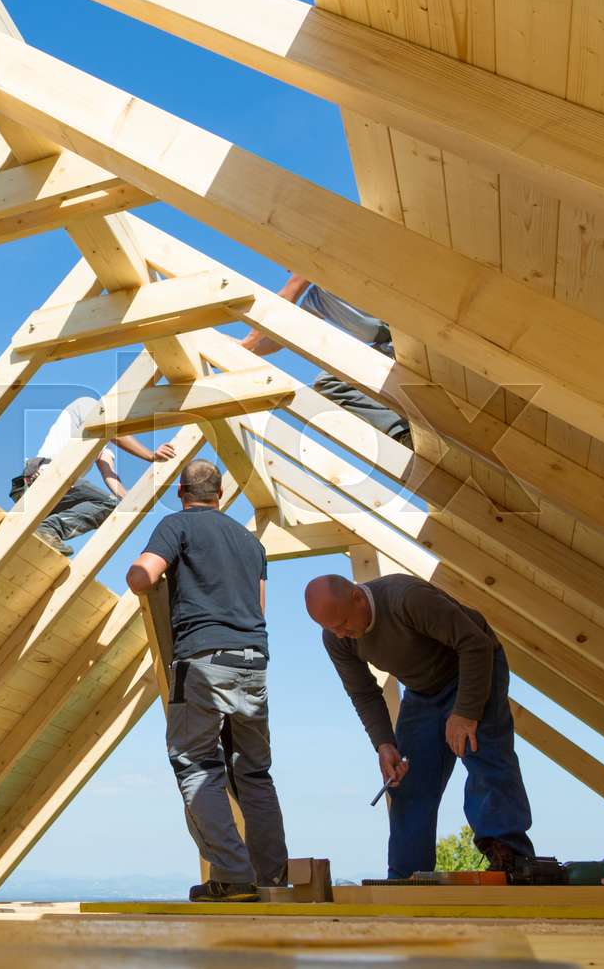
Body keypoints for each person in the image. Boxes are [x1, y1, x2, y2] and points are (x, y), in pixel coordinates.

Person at [126, 460, 287, 902]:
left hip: (203, 660)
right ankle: (272, 879)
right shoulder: (250, 542)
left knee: (195, 763)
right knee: (254, 772)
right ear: (222, 495)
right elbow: (260, 607)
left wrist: (141, 574)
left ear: (182, 493)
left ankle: (233, 875)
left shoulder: (176, 525)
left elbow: (143, 576)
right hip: (253, 662)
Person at [304, 573, 535, 878]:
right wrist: (384, 744)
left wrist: (465, 712)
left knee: (483, 755)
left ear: (358, 597)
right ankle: (407, 876)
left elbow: (475, 644)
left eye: (344, 623)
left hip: (473, 668)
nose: (342, 634)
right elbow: (363, 692)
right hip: (422, 690)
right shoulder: (336, 638)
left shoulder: (406, 598)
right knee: (408, 782)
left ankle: (511, 860)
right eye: (332, 629)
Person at [239, 274, 411, 447]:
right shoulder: (317, 300)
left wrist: (248, 340)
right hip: (393, 348)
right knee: (331, 383)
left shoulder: (323, 262)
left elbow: (284, 298)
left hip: (414, 330)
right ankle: (404, 435)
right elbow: (280, 337)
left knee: (333, 381)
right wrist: (240, 348)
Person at [12, 395, 175, 556]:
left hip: (61, 489)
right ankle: (49, 529)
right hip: (44, 476)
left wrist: (129, 501)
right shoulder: (88, 405)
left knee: (112, 505)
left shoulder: (105, 441)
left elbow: (108, 473)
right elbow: (111, 429)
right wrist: (150, 455)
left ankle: (46, 529)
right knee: (107, 503)